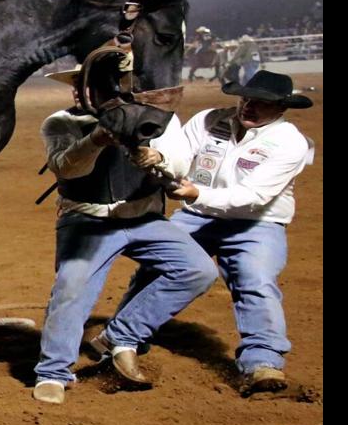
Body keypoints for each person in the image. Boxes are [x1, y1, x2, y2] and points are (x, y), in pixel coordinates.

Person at [112, 70, 315, 395]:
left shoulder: (291, 142)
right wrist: (159, 158)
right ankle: (124, 338)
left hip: (257, 222)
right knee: (154, 268)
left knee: (255, 280)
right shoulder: (209, 120)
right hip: (198, 215)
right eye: (246, 99)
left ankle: (263, 363)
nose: (249, 107)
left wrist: (196, 194)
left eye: (261, 103)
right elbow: (180, 155)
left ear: (281, 108)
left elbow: (254, 196)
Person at [30, 69, 216, 405]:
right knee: (72, 288)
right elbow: (65, 167)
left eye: (92, 85)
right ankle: (53, 372)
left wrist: (159, 158)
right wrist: (96, 140)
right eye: (79, 86)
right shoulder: (60, 122)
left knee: (198, 269)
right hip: (87, 219)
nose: (81, 93)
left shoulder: (159, 119)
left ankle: (119, 336)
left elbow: (180, 163)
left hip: (143, 216)